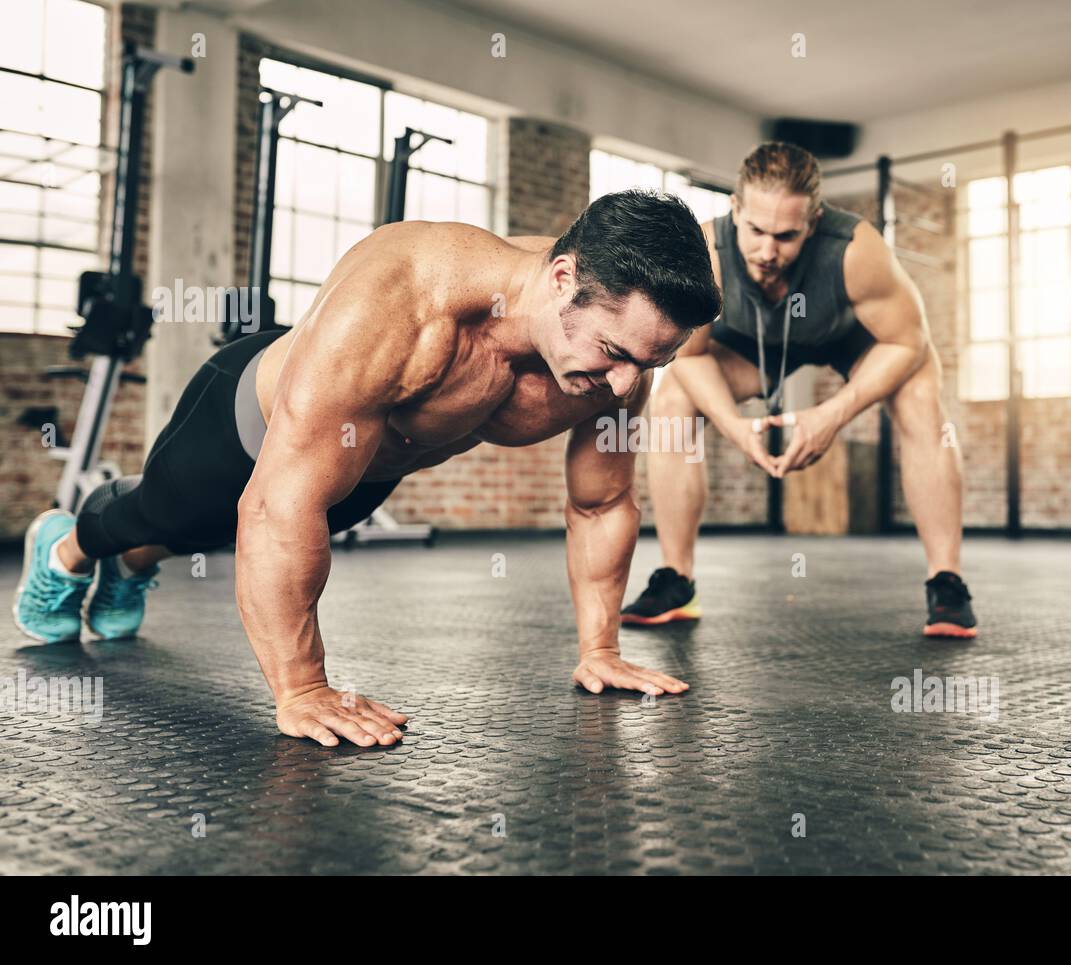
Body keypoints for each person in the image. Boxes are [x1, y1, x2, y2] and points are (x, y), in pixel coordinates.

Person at [12, 190, 720, 746]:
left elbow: (601, 503)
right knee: (161, 513)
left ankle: (130, 567)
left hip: (364, 472)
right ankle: (65, 546)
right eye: (616, 354)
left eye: (651, 362)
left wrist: (600, 648)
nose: (627, 385)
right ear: (563, 279)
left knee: (200, 537)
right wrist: (302, 689)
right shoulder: (406, 299)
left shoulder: (616, 350)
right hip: (245, 421)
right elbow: (274, 507)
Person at [621, 142, 977, 638]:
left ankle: (947, 582)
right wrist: (736, 428)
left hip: (853, 339)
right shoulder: (705, 252)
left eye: (786, 236)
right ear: (735, 209)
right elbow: (692, 356)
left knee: (920, 399)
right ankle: (677, 579)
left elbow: (907, 342)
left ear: (813, 222)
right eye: (756, 231)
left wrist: (832, 414)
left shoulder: (856, 249)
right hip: (753, 345)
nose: (768, 252)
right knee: (674, 397)